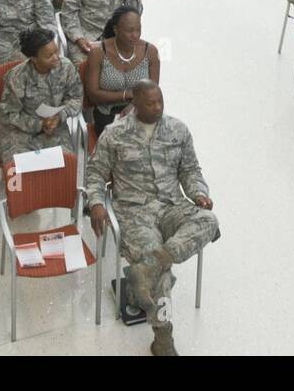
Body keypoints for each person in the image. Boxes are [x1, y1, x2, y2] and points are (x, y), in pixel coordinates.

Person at [84, 81, 218, 357]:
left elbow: (191, 170)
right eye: (150, 103)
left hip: (171, 204)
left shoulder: (177, 129)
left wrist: (199, 193)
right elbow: (95, 174)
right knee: (155, 267)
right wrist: (96, 204)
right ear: (134, 102)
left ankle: (150, 265)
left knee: (209, 221)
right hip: (134, 213)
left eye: (160, 102)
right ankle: (163, 336)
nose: (157, 107)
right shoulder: (114, 134)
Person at [0, 27, 83, 164]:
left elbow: (76, 98)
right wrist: (39, 124)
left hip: (55, 127)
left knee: (65, 165)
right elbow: (8, 115)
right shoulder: (17, 77)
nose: (56, 58)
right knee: (21, 170)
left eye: (56, 51)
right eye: (49, 56)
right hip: (20, 132)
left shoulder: (66, 68)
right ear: (34, 58)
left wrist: (60, 117)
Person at [82, 7, 161, 133]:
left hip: (140, 112)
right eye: (129, 30)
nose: (135, 35)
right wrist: (127, 95)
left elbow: (152, 90)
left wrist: (134, 104)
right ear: (116, 29)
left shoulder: (150, 52)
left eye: (138, 29)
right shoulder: (98, 53)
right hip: (106, 117)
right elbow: (93, 94)